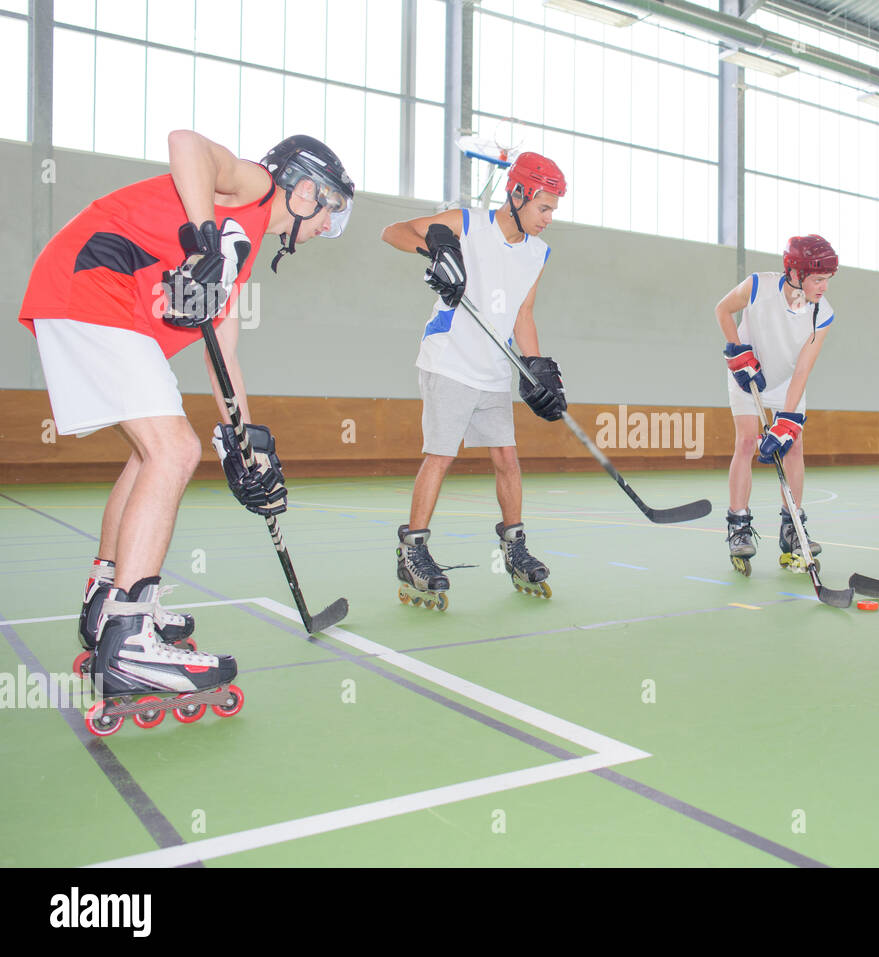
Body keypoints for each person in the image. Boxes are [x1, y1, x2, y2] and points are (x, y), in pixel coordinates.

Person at [17, 131, 355, 731]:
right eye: (329, 209)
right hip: (95, 282)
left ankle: (106, 603)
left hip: (89, 293)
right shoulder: (252, 189)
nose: (329, 226)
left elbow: (224, 360)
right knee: (173, 449)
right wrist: (204, 241)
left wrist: (243, 446)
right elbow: (186, 144)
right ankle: (130, 638)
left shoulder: (240, 256)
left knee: (152, 456)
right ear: (304, 190)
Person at [380, 152, 568, 606]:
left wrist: (537, 368)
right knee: (441, 455)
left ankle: (514, 547)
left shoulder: (537, 252)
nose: (548, 219)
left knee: (507, 456)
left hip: (493, 367)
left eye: (553, 211)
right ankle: (413, 551)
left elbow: (523, 312)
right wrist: (438, 251)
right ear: (518, 193)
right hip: (449, 359)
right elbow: (393, 232)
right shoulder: (468, 223)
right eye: (543, 207)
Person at [714, 234, 837, 575]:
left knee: (793, 446)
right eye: (817, 279)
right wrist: (737, 350)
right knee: (746, 441)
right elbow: (722, 310)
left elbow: (802, 371)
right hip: (747, 373)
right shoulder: (758, 286)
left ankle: (791, 528)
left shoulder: (821, 314)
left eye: (827, 279)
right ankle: (738, 524)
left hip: (786, 383)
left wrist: (787, 419)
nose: (823, 286)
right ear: (795, 273)